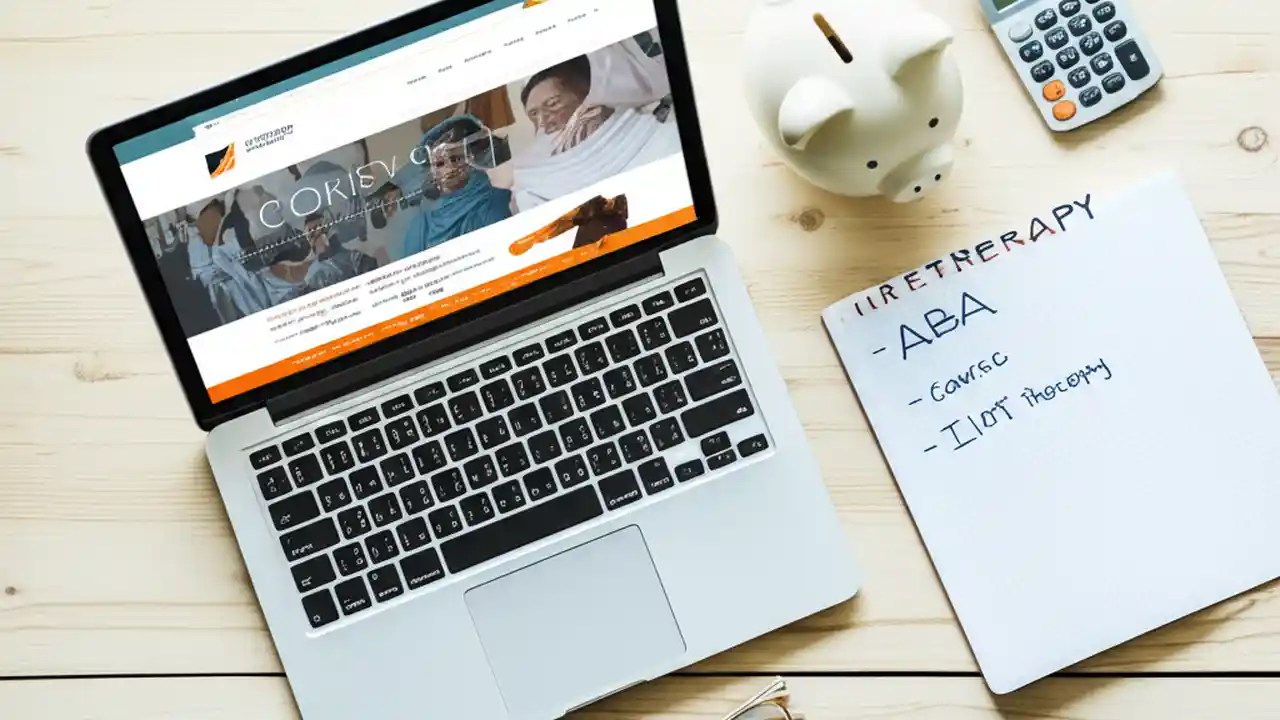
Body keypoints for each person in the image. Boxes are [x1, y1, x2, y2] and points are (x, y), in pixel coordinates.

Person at [510, 45, 681, 211]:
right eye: (534, 114)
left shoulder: (663, 140)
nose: (543, 123)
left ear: (588, 95)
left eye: (553, 104)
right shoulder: (535, 183)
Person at [400, 115, 514, 257]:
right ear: (432, 170)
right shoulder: (420, 228)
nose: (449, 168)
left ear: (472, 158)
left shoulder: (495, 205)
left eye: (456, 159)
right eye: (439, 163)